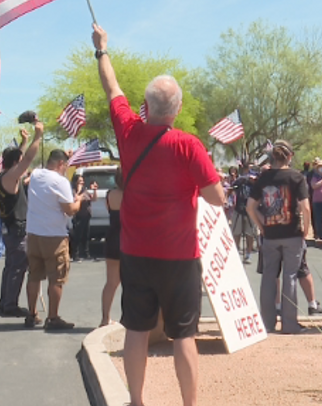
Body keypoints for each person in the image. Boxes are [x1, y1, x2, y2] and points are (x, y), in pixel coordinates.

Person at [92, 24, 224, 406]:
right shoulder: (189, 145)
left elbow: (112, 88)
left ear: (146, 107)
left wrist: (103, 49)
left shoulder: (129, 132)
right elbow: (216, 198)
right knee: (183, 334)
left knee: (136, 328)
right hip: (181, 257)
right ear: (178, 108)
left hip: (136, 254)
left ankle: (136, 400)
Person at [246, 141, 310, 334]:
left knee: (269, 276)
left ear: (272, 157)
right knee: (290, 276)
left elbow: (250, 206)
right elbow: (305, 207)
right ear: (289, 156)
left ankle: (267, 323)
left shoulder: (263, 178)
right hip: (292, 234)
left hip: (271, 234)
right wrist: (306, 230)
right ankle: (290, 324)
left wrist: (261, 225)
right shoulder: (296, 177)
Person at [24, 149, 81, 330]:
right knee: (56, 278)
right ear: (60, 164)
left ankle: (32, 314)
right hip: (54, 236)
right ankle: (53, 317)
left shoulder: (35, 175)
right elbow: (69, 209)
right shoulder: (60, 181)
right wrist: (79, 200)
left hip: (34, 233)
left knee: (34, 275)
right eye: (65, 166)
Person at [0, 123, 42, 318]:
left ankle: (5, 301)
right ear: (16, 162)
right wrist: (37, 136)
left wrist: (23, 142)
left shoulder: (3, 176)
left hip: (9, 228)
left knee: (10, 266)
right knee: (17, 267)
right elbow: (28, 159)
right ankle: (10, 305)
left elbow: (20, 159)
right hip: (17, 228)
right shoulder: (10, 177)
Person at [100, 167, 123, 327]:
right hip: (130, 240)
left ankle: (105, 318)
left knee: (111, 282)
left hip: (112, 237)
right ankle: (129, 318)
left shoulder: (110, 195)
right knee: (131, 283)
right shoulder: (133, 195)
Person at [70, 174, 96, 262]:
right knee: (77, 236)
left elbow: (93, 199)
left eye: (82, 181)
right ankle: (75, 254)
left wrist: (94, 190)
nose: (82, 182)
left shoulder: (85, 190)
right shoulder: (73, 190)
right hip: (78, 216)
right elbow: (75, 198)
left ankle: (86, 253)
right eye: (80, 181)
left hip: (86, 216)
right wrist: (80, 190)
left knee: (86, 235)